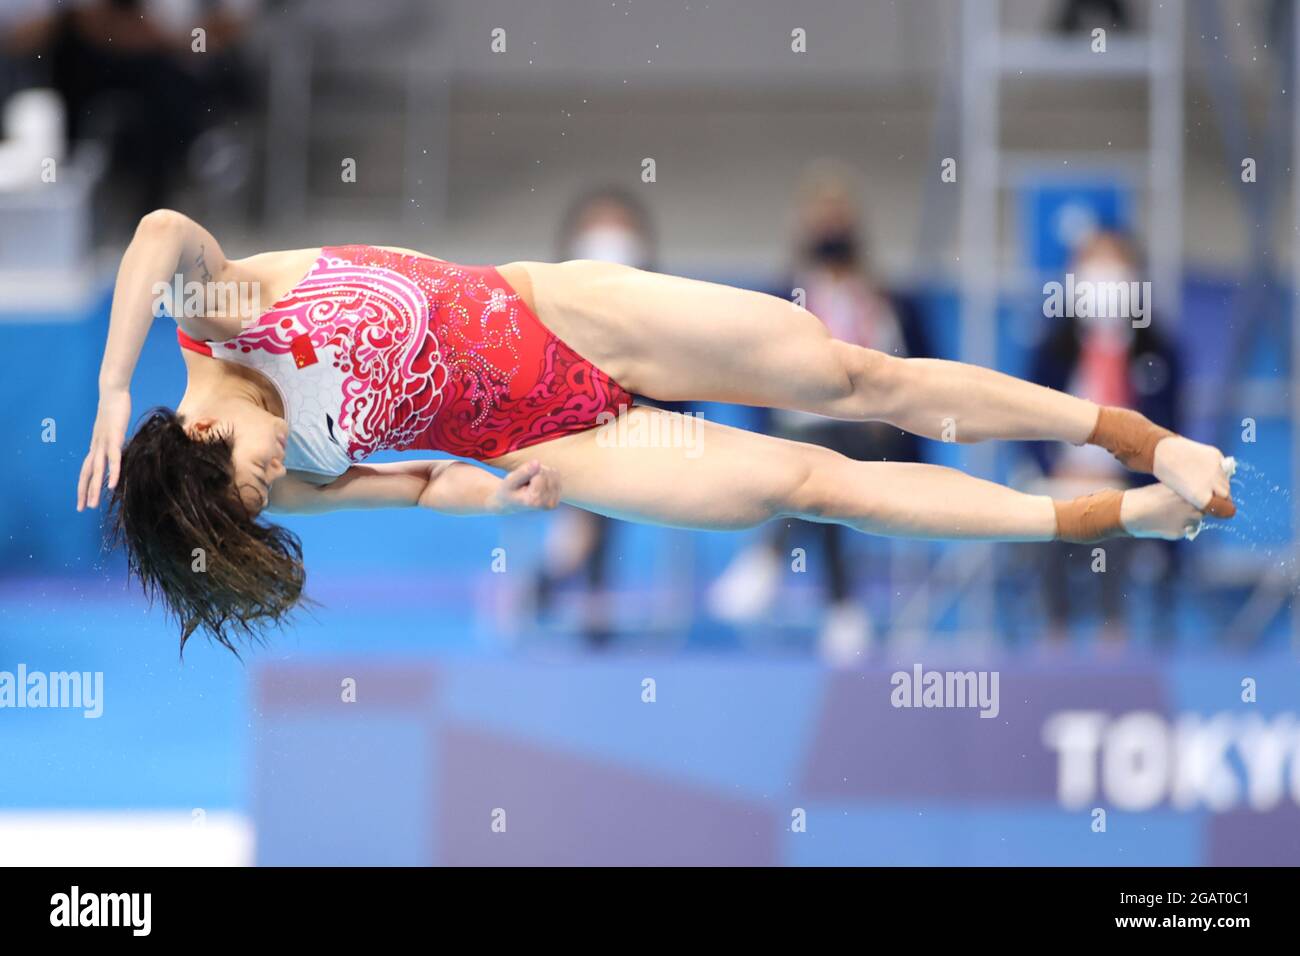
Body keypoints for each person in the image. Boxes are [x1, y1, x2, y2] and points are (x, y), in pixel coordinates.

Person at [77, 209, 1234, 654]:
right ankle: (1126, 508)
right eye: (262, 504)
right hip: (568, 443)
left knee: (851, 371)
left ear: (192, 435)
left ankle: (1139, 437)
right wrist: (506, 497)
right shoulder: (270, 484)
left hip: (563, 309)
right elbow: (423, 487)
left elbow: (156, 231)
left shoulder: (222, 320)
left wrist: (110, 387)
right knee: (809, 483)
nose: (272, 486)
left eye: (250, 480)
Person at [709, 160, 929, 662]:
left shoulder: (890, 301)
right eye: (820, 218)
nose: (830, 230)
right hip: (801, 429)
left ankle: (769, 555)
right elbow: (754, 377)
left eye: (839, 218)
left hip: (877, 434)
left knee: (821, 464)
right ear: (804, 228)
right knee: (819, 465)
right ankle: (842, 607)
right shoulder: (783, 298)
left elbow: (925, 370)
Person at [1026, 230, 1183, 644]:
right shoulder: (1052, 350)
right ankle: (1053, 633)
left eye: (1114, 264)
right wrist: (1054, 469)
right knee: (1047, 516)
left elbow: (1170, 433)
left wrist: (1125, 480)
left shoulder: (1157, 351)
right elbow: (1025, 425)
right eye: (1093, 264)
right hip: (1060, 481)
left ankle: (1114, 634)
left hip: (1127, 483)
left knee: (1116, 518)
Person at [530, 186, 662, 646]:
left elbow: (673, 393)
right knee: (590, 498)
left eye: (618, 225)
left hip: (635, 438)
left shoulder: (660, 310)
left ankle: (559, 582)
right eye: (598, 225)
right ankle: (574, 585)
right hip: (566, 437)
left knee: (606, 493)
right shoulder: (547, 306)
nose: (609, 237)